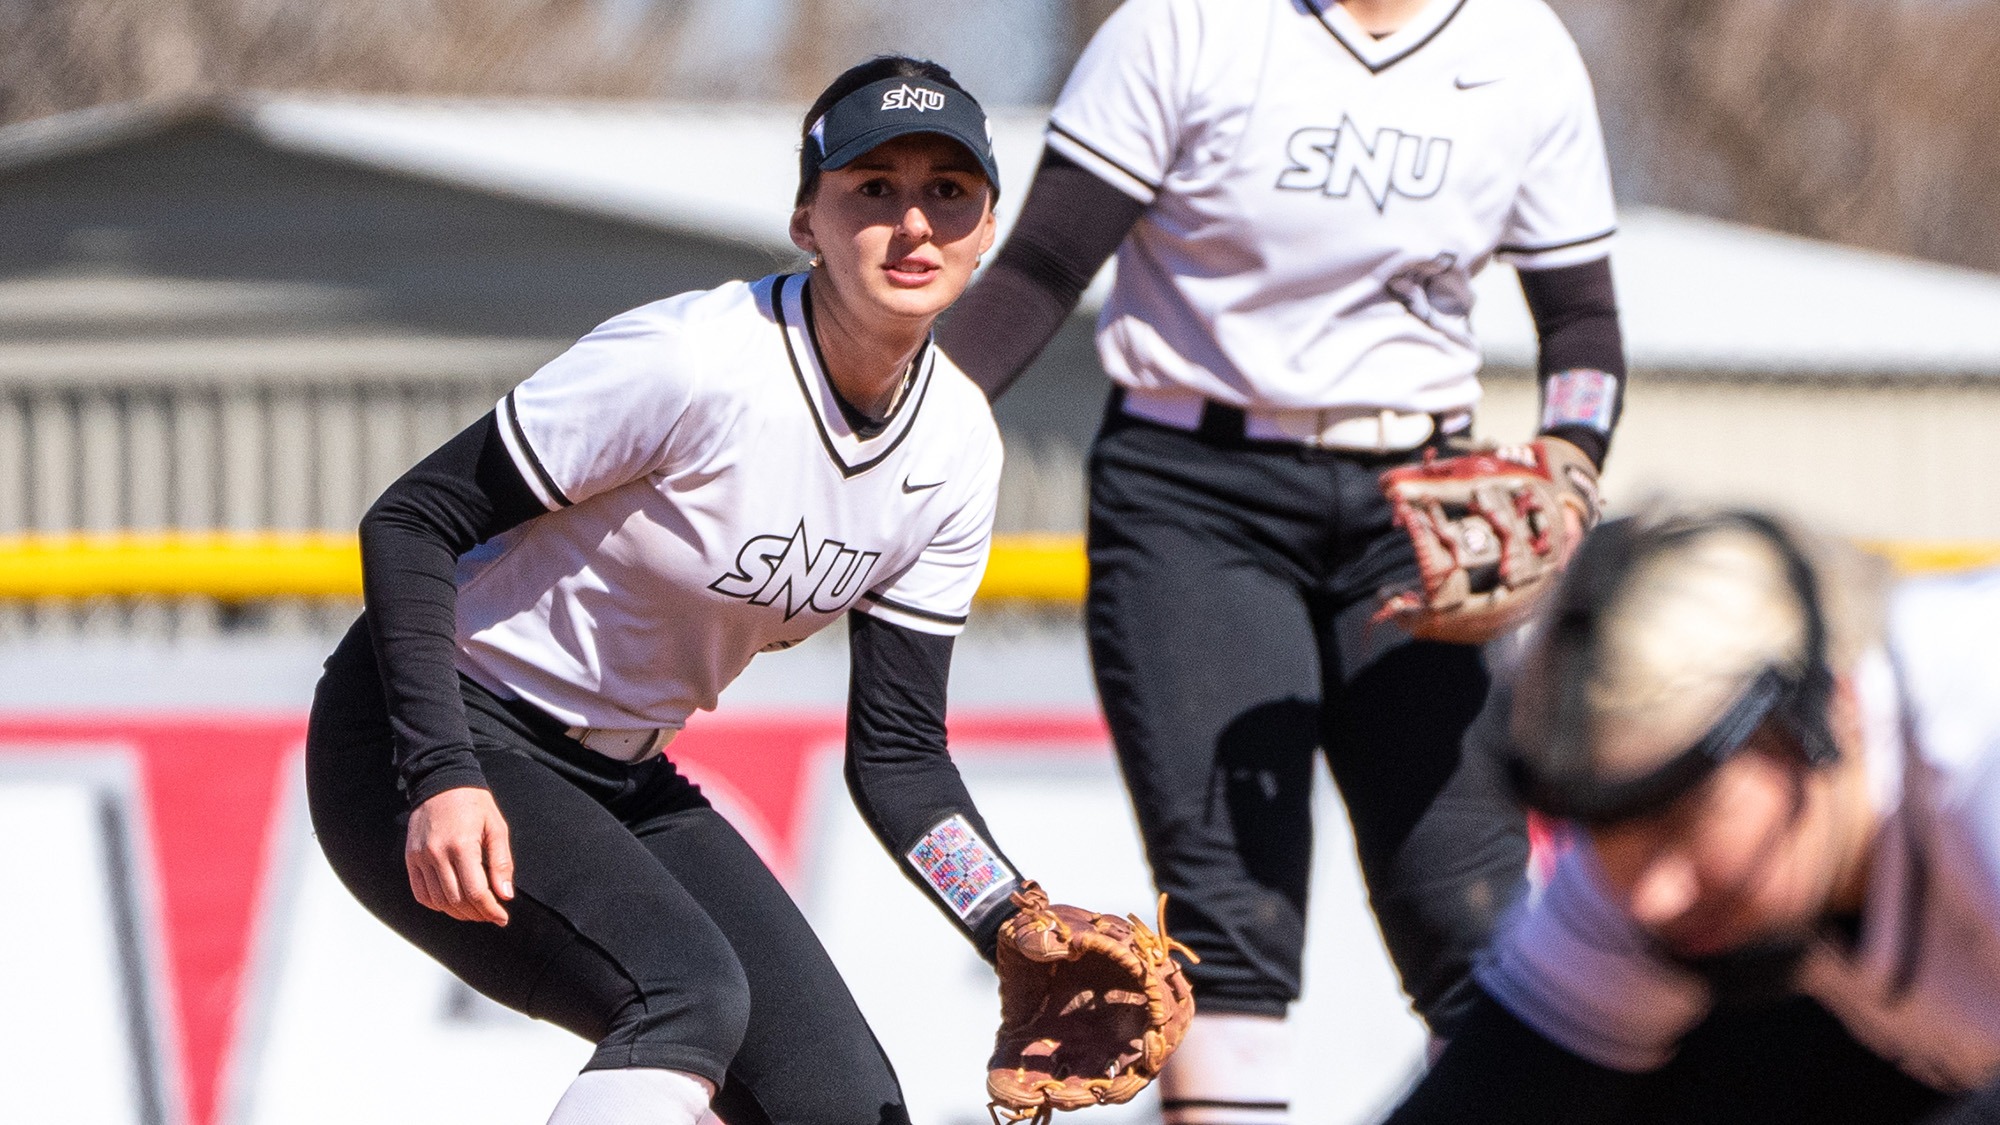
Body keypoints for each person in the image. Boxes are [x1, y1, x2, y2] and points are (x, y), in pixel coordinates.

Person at [307, 56, 1034, 1125]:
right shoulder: (698, 361)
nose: (913, 223)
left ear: (984, 231)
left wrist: (1006, 917)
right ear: (806, 219)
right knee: (684, 994)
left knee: (838, 1102)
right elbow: (412, 519)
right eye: (871, 188)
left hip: (620, 775)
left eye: (946, 192)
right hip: (422, 732)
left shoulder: (958, 446)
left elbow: (901, 760)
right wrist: (441, 772)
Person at [936, 0, 1625, 1118]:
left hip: (1414, 508)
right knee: (1231, 917)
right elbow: (1038, 272)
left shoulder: (1517, 46)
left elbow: (1583, 325)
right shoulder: (1186, 26)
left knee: (1479, 920)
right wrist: (884, 448)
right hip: (1193, 496)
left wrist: (1570, 458)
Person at [1385, 506, 2000, 1125]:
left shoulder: (1975, 745)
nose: (1653, 895)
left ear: (1829, 709)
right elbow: (1484, 1099)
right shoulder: (1642, 864)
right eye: (1603, 833)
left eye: (1685, 818)